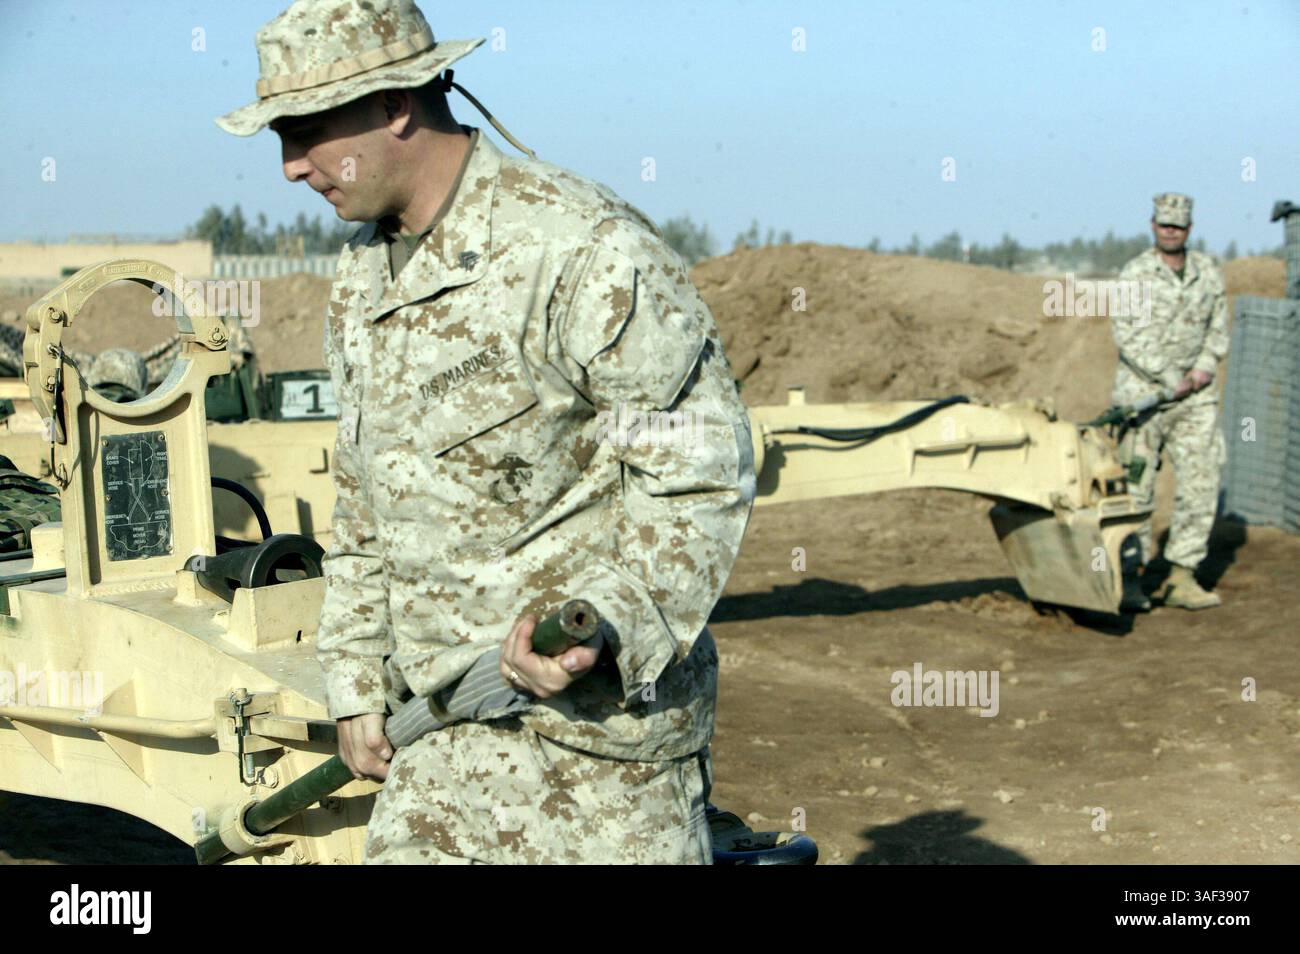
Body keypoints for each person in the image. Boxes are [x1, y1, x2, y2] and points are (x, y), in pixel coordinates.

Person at [216, 0, 755, 863]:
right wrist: (354, 683)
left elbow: (699, 470)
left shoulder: (578, 247)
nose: (288, 166)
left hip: (596, 760)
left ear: (398, 105)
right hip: (435, 750)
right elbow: (361, 500)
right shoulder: (362, 278)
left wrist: (604, 622)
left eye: (306, 129)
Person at [1112, 193, 1229, 611]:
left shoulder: (1207, 274)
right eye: (1164, 225)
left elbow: (1218, 326)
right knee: (1135, 490)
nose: (1170, 232)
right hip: (1144, 399)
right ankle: (1128, 579)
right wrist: (1168, 378)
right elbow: (1128, 334)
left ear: (1189, 230)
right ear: (1153, 225)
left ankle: (1182, 576)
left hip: (1195, 400)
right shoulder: (1135, 274)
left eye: (1178, 227)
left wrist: (1202, 369)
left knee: (1201, 481)